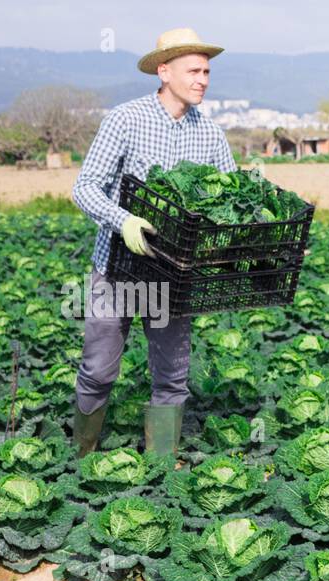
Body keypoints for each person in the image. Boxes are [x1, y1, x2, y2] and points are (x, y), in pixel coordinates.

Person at [69, 27, 235, 457]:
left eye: (207, 71)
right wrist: (122, 221)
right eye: (194, 70)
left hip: (174, 280)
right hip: (117, 270)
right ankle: (80, 457)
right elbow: (85, 187)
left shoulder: (211, 135)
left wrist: (258, 246)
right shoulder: (125, 120)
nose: (203, 79)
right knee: (98, 370)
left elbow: (231, 203)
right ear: (164, 71)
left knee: (172, 378)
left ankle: (159, 477)